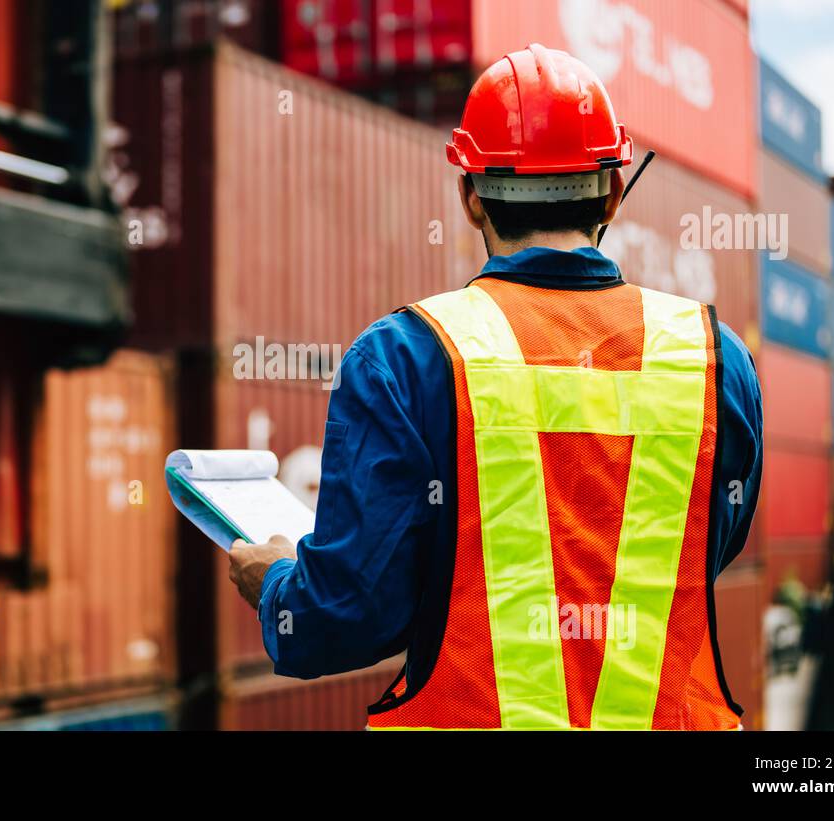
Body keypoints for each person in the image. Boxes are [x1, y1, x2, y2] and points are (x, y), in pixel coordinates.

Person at [226, 43, 763, 730]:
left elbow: (343, 618)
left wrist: (275, 582)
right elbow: (706, 549)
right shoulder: (715, 360)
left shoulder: (404, 356)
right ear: (614, 191)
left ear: (470, 195)